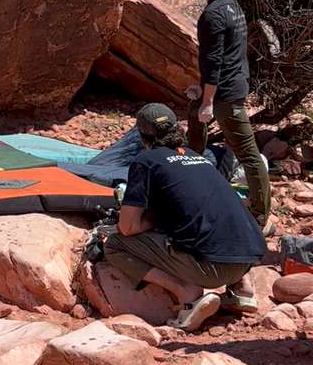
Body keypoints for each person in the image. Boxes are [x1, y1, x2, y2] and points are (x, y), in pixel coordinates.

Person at [103, 103, 266, 331]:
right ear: (177, 130)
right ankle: (242, 289)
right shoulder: (199, 159)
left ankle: (185, 291)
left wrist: (155, 219)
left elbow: (128, 227)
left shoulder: (146, 161)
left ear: (141, 136)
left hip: (211, 270)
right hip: (248, 257)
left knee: (114, 245)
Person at [186, 0, 272, 233]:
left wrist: (208, 100)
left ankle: (259, 215)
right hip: (233, 84)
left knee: (247, 153)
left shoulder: (211, 15)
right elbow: (226, 53)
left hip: (225, 94)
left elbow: (215, 61)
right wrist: (202, 91)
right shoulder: (232, 5)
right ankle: (191, 177)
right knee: (194, 121)